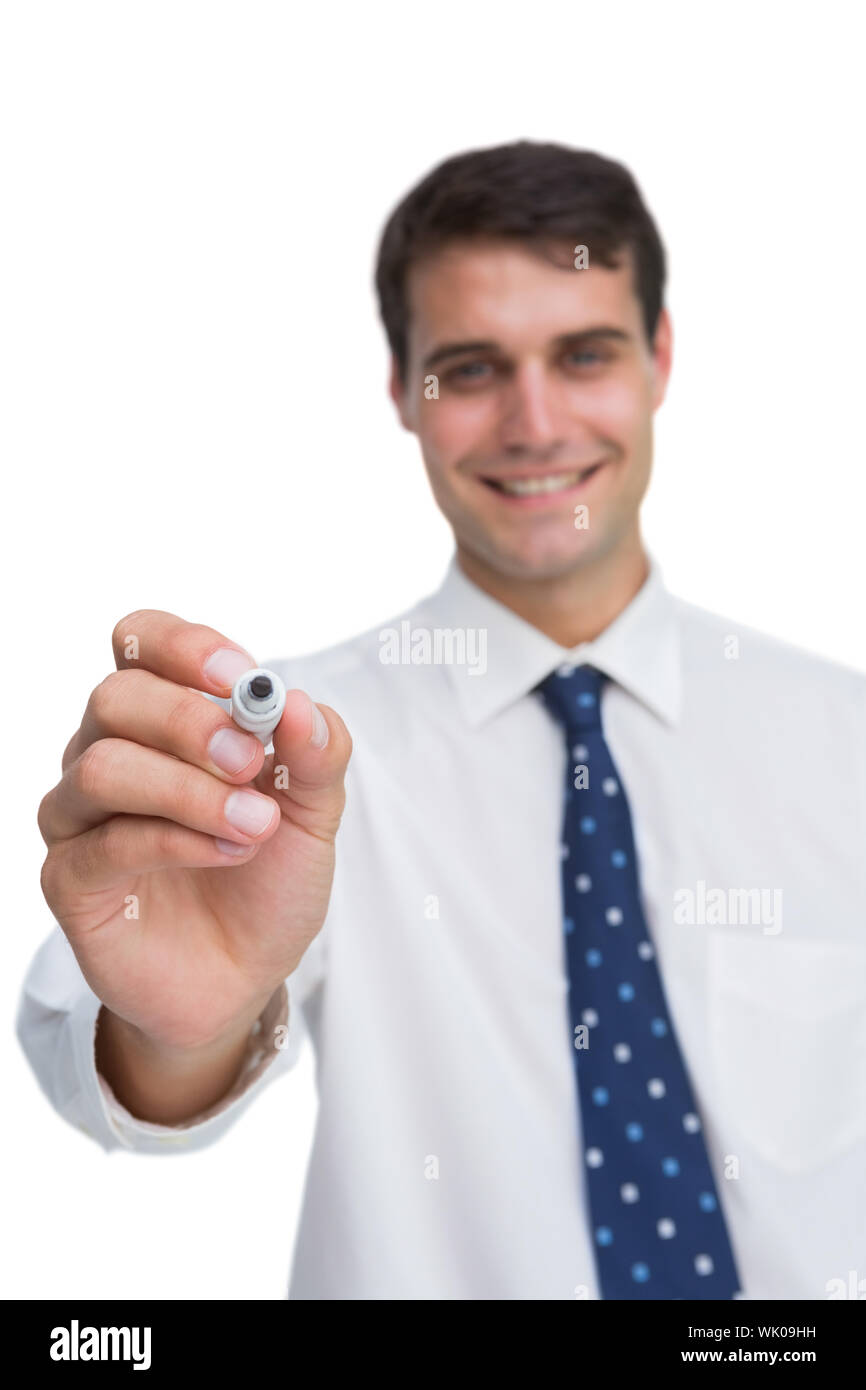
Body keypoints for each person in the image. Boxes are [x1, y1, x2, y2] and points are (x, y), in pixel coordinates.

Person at [18, 140, 866, 1301]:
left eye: (582, 354)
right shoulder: (282, 760)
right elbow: (96, 1061)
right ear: (400, 390)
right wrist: (179, 1033)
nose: (532, 422)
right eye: (469, 369)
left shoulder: (842, 740)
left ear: (658, 357)